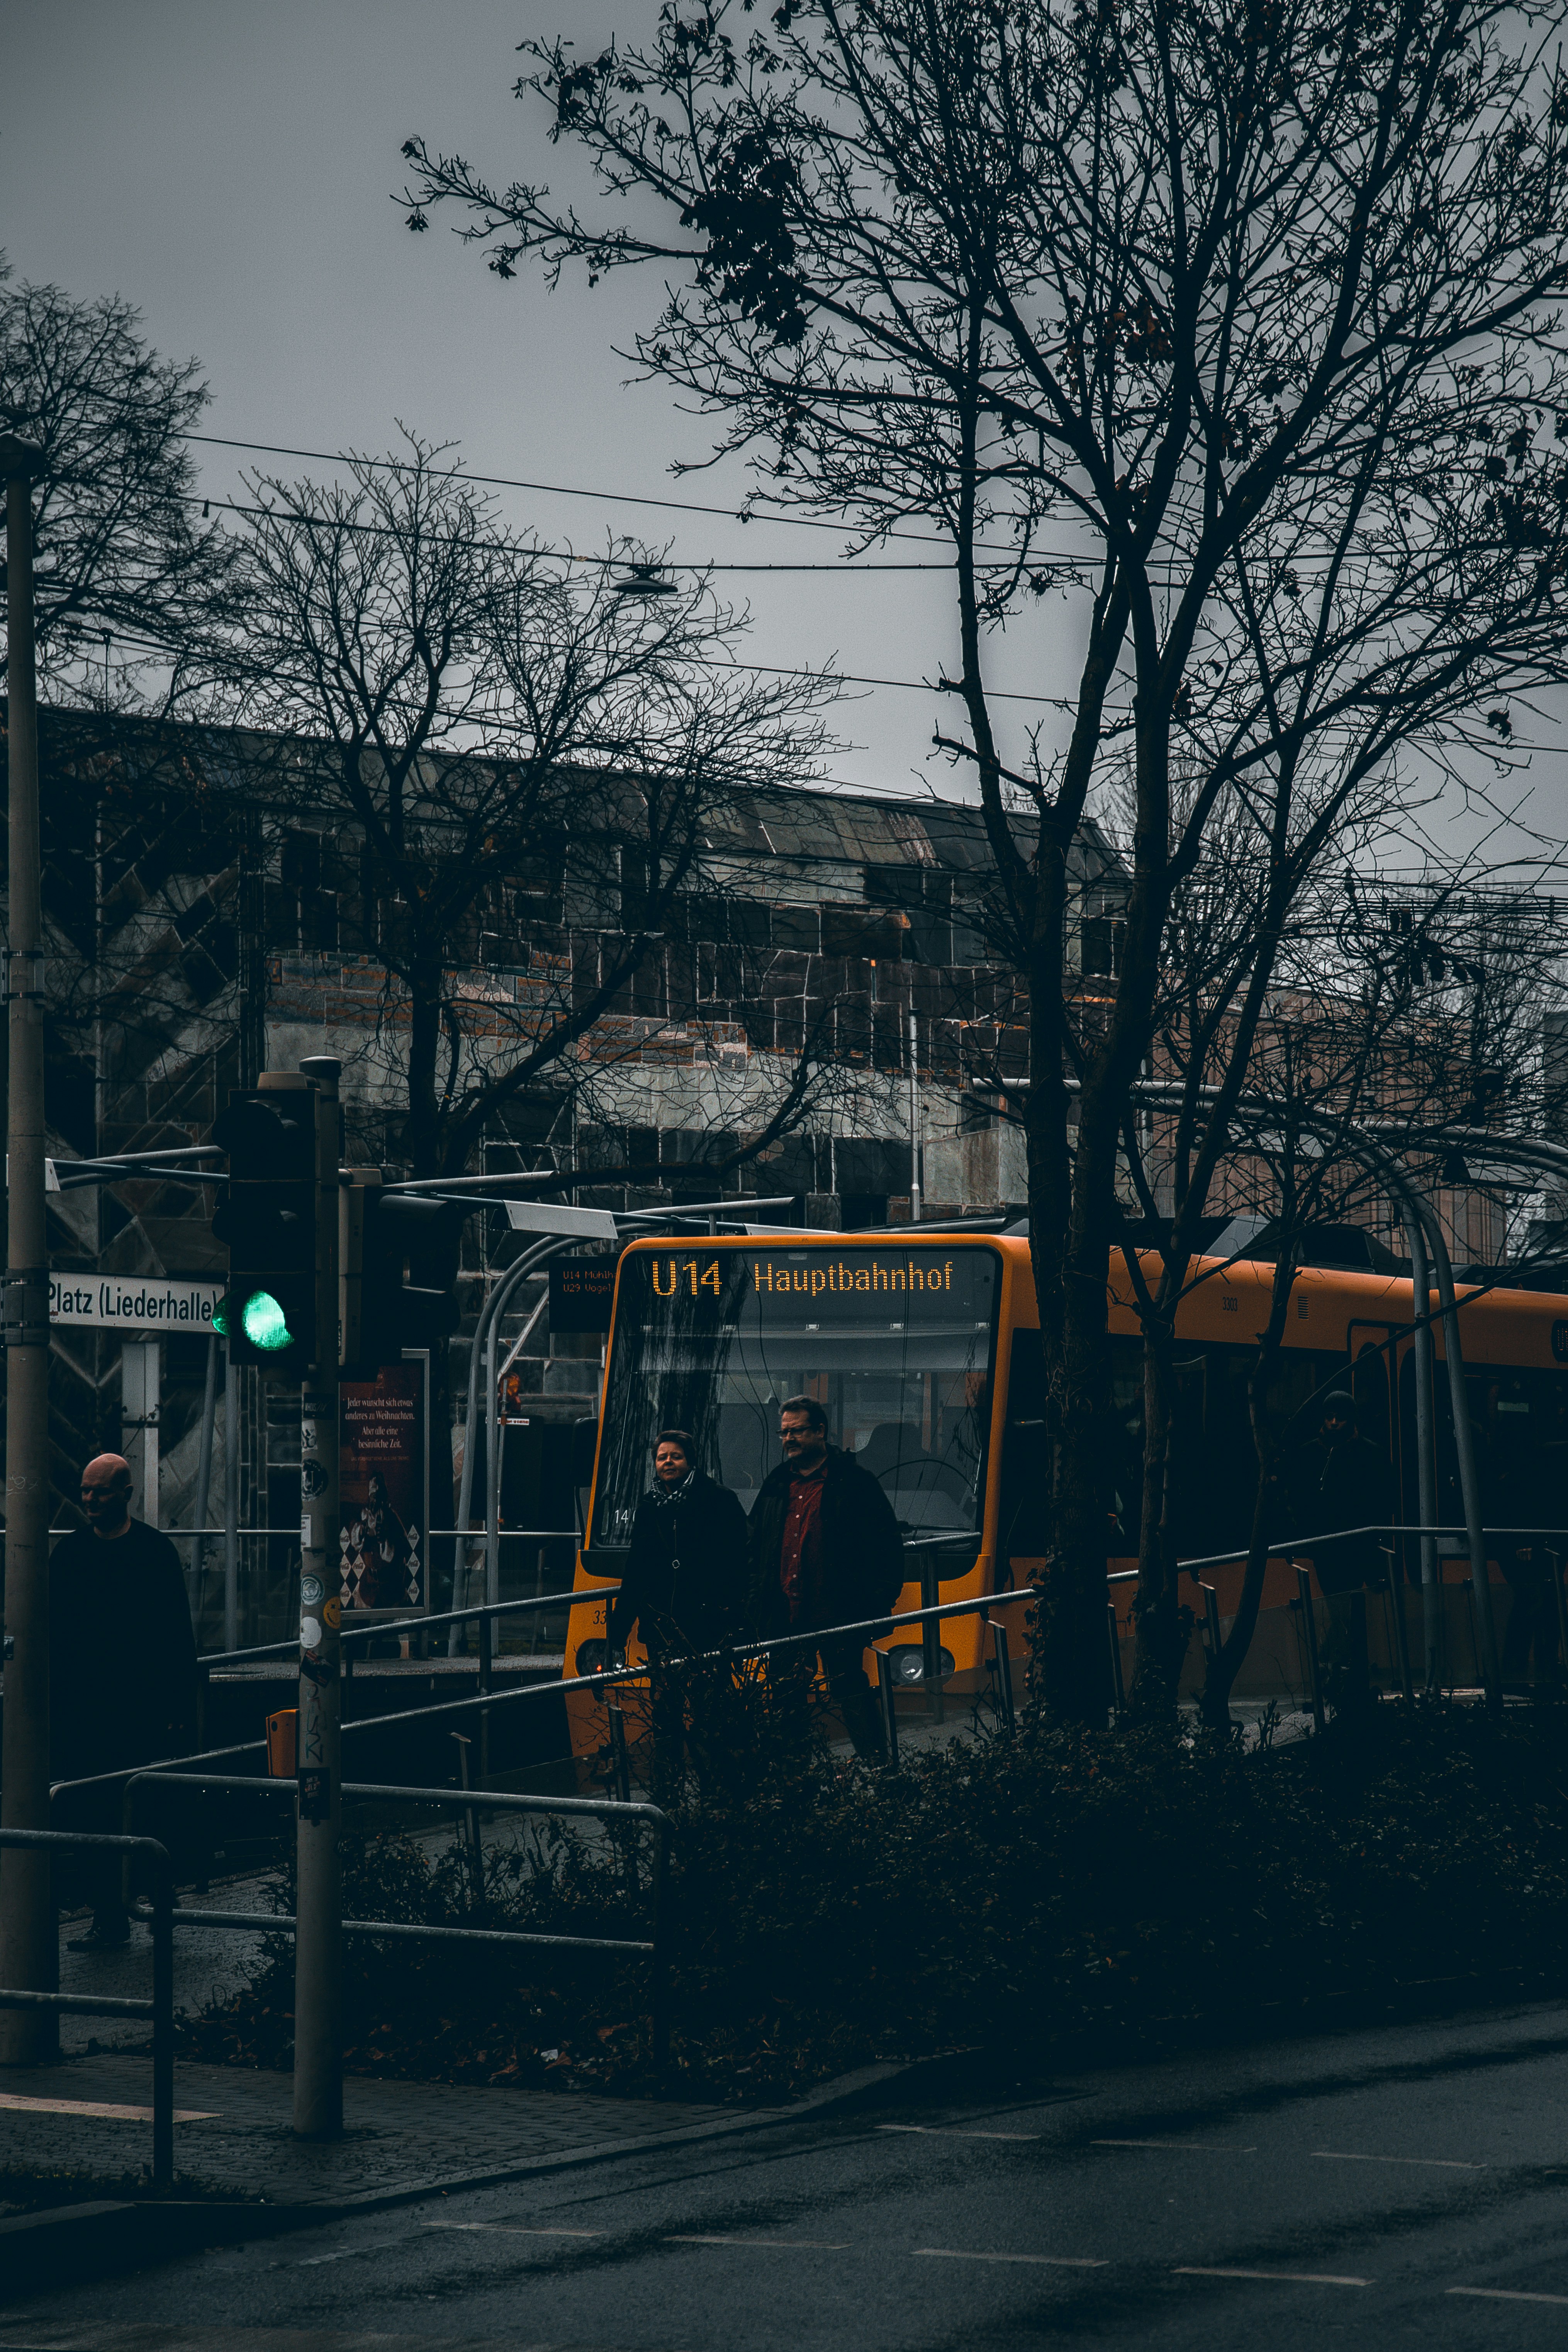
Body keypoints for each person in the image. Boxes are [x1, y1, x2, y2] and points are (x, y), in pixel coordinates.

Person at [48, 1452, 198, 1950]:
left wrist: (178, 1708)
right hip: (89, 1713)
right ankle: (111, 1916)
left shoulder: (152, 1553)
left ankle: (156, 1903)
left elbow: (176, 1635)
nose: (90, 1499)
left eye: (101, 1491)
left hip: (139, 1711)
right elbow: (56, 1638)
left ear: (126, 1494)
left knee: (147, 1809)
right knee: (95, 1815)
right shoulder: (71, 1555)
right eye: (86, 1490)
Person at [747, 1394, 905, 1761]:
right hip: (784, 1614)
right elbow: (754, 1545)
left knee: (850, 1688)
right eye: (784, 1433)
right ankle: (796, 1774)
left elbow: (886, 1545)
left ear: (820, 1431)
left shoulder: (854, 1482)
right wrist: (755, 1600)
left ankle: (879, 1767)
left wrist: (877, 1601)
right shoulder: (777, 1483)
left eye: (797, 1431)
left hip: (839, 1612)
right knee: (787, 1696)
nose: (789, 1439)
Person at [608, 1431, 748, 1797]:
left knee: (710, 1712)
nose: (668, 1462)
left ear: (691, 1461)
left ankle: (719, 1789)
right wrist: (618, 1631)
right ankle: (667, 1790)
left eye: (676, 1456)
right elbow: (636, 1572)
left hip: (707, 1628)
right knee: (665, 1716)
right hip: (662, 1629)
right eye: (662, 1457)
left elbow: (739, 1562)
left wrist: (730, 1613)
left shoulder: (719, 1500)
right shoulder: (649, 1505)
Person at [1304, 1394, 1390, 1711]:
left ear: (1351, 1419)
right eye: (1329, 1416)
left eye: (1339, 1417)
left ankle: (1334, 1678)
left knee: (1347, 1616)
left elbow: (1382, 1502)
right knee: (1345, 1615)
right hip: (1328, 1551)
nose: (1333, 1422)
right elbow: (1300, 1499)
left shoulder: (1370, 1454)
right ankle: (1340, 1679)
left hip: (1358, 1549)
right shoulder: (1313, 1454)